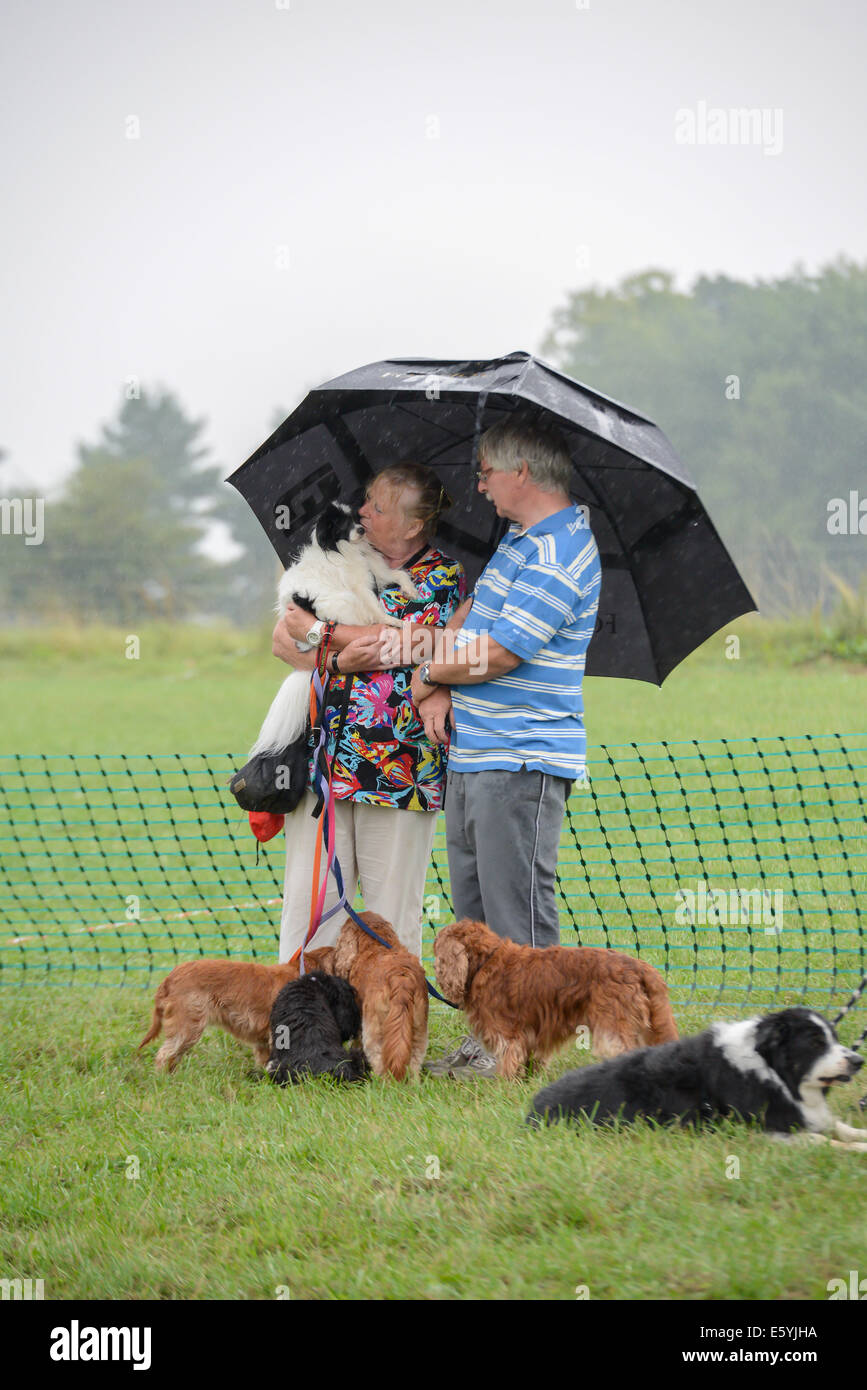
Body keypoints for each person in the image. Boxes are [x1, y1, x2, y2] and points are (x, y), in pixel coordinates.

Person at [410, 416, 601, 1076]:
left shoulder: (558, 555)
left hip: (518, 761)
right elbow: (467, 621)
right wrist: (436, 689)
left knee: (516, 922)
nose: (480, 487)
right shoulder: (517, 543)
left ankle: (525, 1054)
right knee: (478, 924)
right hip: (473, 756)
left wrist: (431, 674)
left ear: (521, 473)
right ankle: (487, 1042)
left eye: (485, 473)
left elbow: (499, 652)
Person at [272, 462, 465, 962]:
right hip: (323, 759)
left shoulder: (442, 575)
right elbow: (282, 637)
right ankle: (302, 1027)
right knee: (310, 911)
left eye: (378, 507)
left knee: (391, 918)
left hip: (399, 766)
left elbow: (413, 643)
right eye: (367, 500)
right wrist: (332, 652)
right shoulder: (340, 553)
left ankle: (394, 1035)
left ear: (413, 525)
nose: (362, 511)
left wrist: (321, 633)